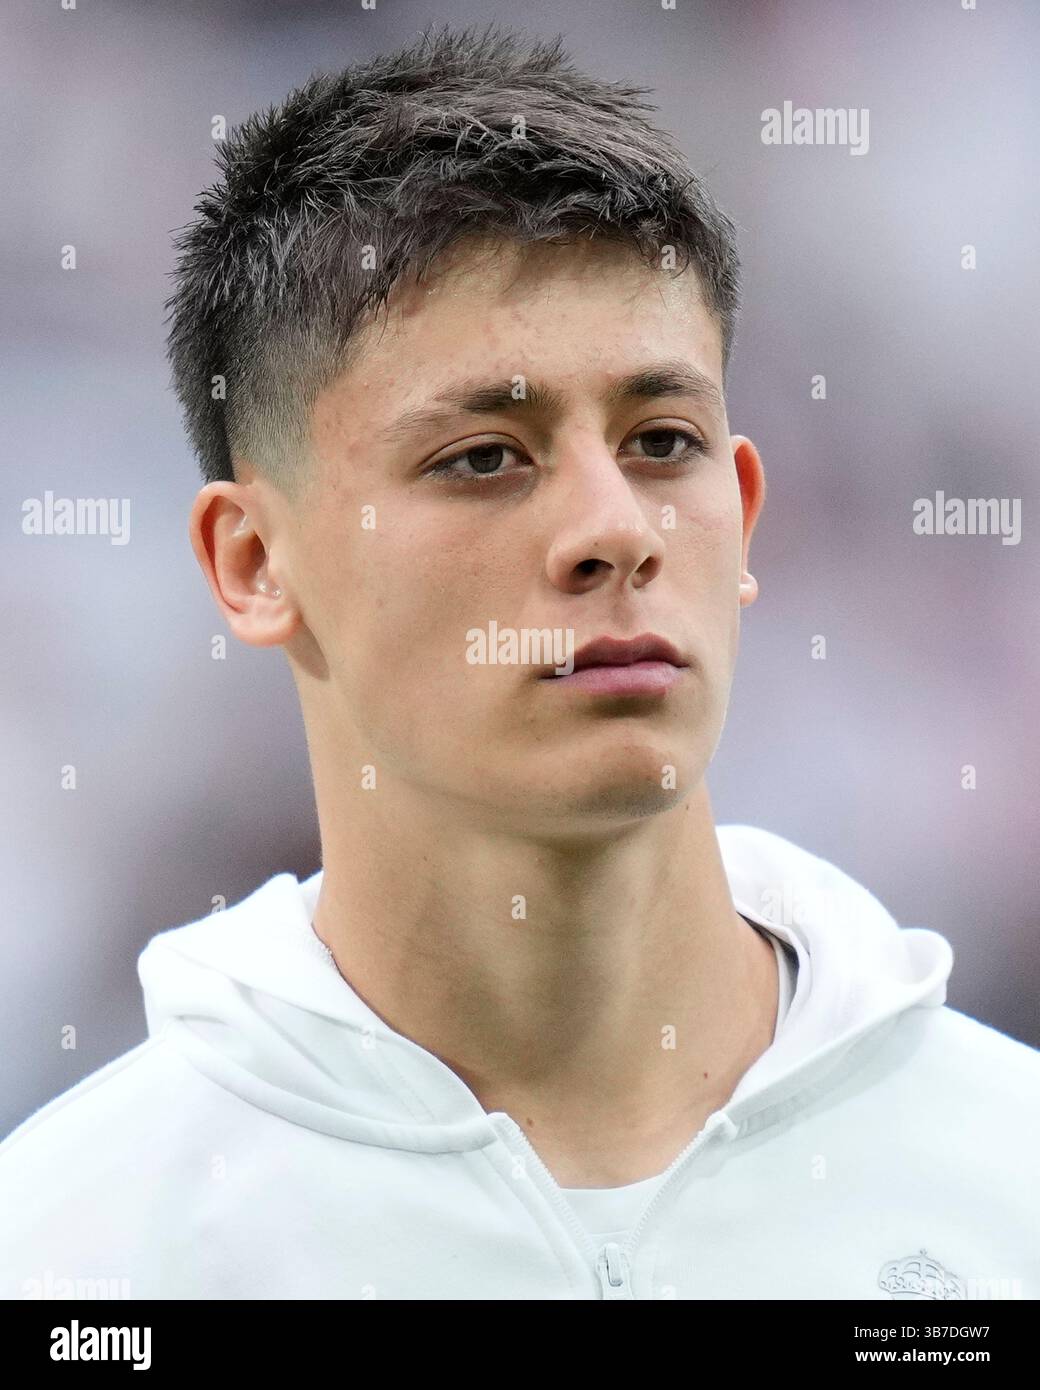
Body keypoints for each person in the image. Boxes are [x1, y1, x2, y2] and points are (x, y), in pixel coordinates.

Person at [2, 22, 1037, 1302]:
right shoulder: (73, 1260)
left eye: (661, 441)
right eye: (484, 457)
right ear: (254, 563)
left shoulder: (1007, 1187)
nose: (614, 528)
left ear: (746, 509)